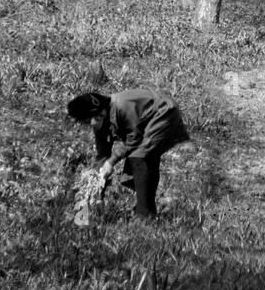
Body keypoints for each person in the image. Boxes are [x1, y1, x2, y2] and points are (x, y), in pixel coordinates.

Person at [67, 86, 189, 219]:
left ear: (100, 114)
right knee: (142, 158)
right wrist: (96, 190)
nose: (87, 125)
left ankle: (144, 215)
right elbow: (102, 157)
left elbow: (134, 139)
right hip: (146, 123)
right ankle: (146, 210)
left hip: (164, 114)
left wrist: (111, 161)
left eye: (86, 121)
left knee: (140, 157)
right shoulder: (100, 123)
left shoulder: (122, 106)